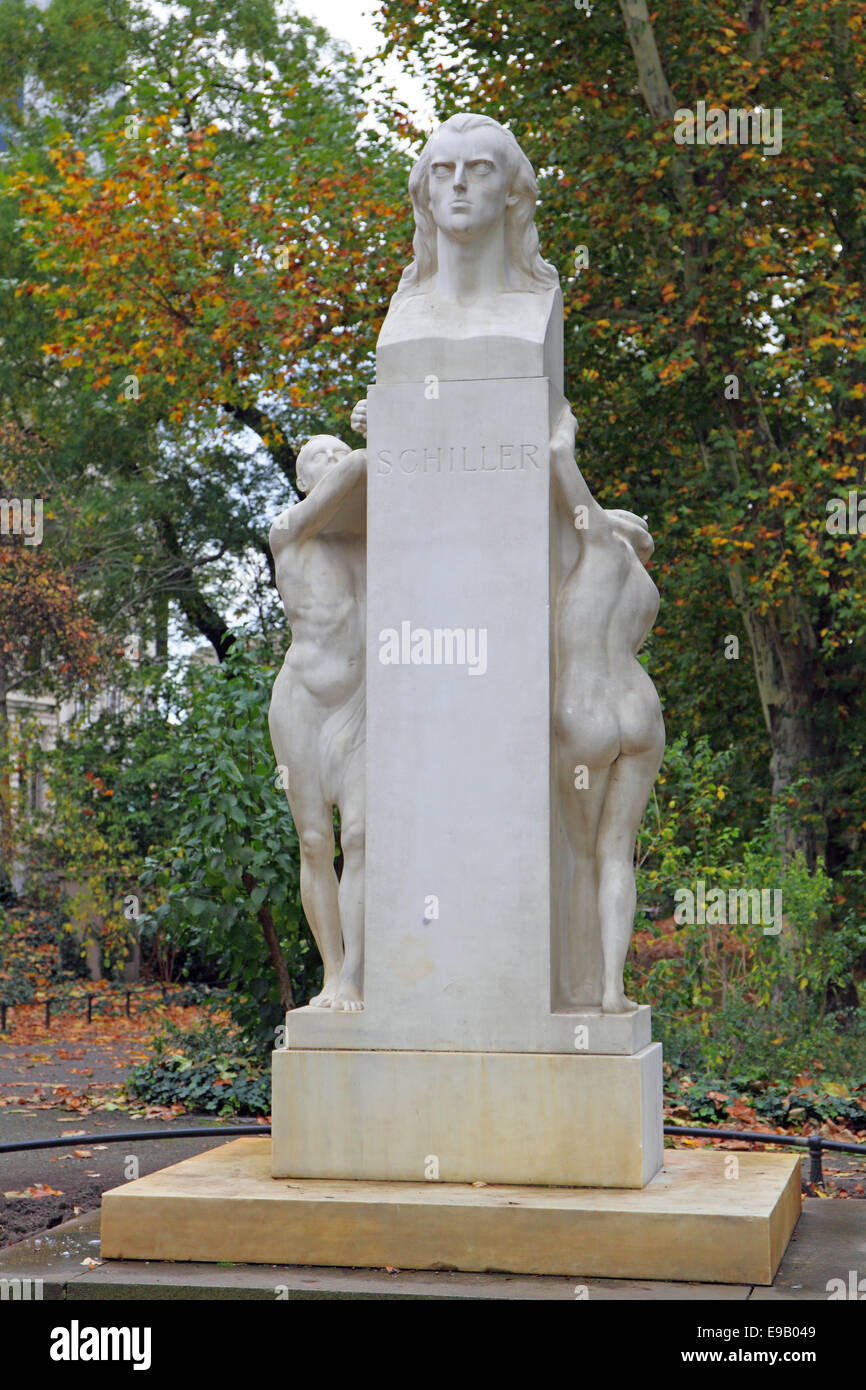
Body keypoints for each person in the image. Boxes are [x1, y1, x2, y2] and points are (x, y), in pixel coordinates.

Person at [550, 406, 665, 1013]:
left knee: (582, 853)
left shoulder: (598, 544)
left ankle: (580, 985)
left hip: (585, 709)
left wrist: (563, 418)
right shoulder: (646, 590)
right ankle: (614, 991)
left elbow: (557, 460)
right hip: (640, 710)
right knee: (618, 850)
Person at [268, 433, 366, 1010]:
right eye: (317, 459)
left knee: (358, 838)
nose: (332, 461)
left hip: (361, 705)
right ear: (304, 482)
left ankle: (355, 975)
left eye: (337, 451)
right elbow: (354, 472)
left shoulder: (374, 541)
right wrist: (378, 433)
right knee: (313, 841)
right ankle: (332, 973)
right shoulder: (289, 530)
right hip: (302, 701)